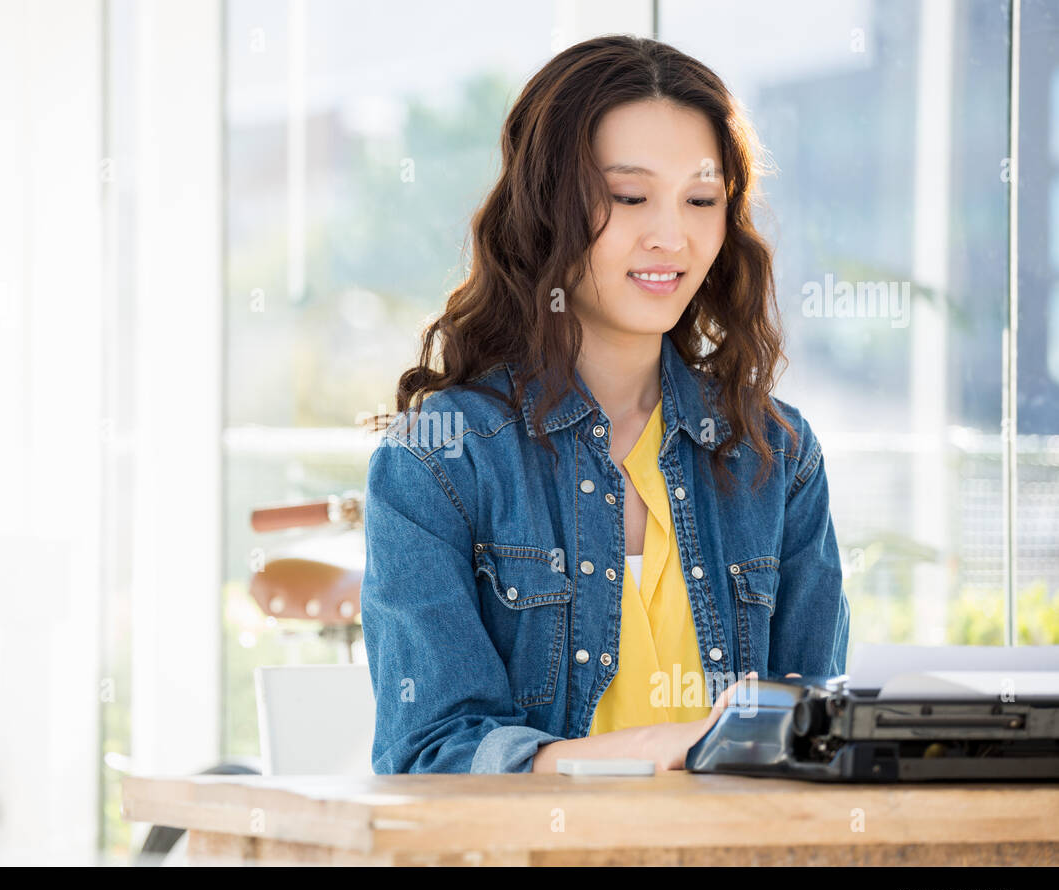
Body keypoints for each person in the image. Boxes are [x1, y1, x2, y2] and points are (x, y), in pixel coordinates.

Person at [360, 34, 849, 774]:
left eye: (701, 199)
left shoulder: (778, 455)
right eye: (629, 197)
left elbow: (813, 739)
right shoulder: (436, 459)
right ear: (544, 208)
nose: (671, 235)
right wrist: (656, 752)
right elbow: (431, 754)